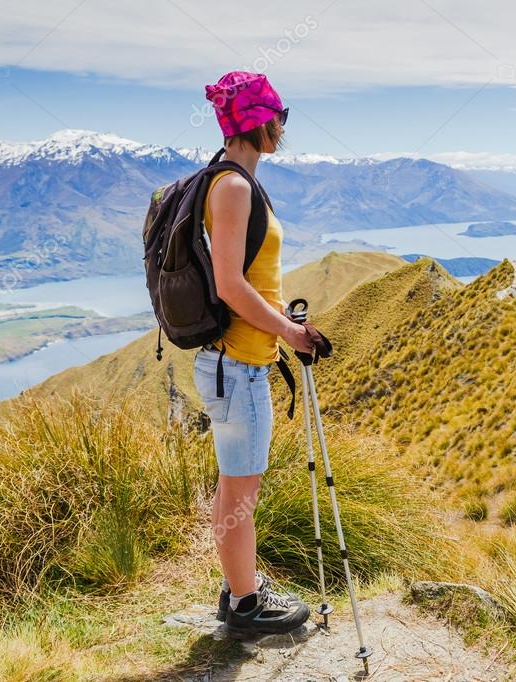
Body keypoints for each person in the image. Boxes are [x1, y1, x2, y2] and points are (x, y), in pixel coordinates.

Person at [194, 71, 313, 635]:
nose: (283, 127)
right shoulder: (236, 187)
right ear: (259, 122)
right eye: (278, 116)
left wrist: (280, 320)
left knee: (233, 483)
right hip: (238, 364)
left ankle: (235, 589)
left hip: (232, 360)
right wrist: (289, 335)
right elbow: (229, 286)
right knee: (243, 488)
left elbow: (249, 281)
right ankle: (245, 605)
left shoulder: (230, 180)